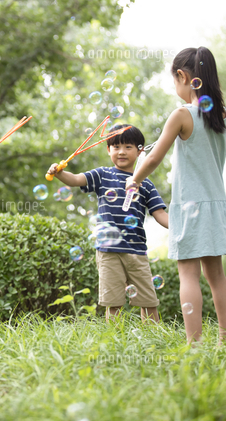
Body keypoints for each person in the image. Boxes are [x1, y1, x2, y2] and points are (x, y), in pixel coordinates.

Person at [125, 47, 226, 344]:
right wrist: (224, 109)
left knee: (189, 276)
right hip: (216, 206)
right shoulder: (221, 115)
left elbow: (154, 158)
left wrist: (135, 179)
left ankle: (194, 344)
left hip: (189, 206)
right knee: (217, 276)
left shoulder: (181, 115)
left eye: (175, 81)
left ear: (183, 76)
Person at [47, 124, 169, 323]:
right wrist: (59, 173)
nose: (121, 151)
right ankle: (115, 339)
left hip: (136, 250)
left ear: (140, 151)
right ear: (108, 149)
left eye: (128, 147)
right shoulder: (102, 175)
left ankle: (153, 338)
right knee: (114, 302)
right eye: (116, 146)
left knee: (148, 301)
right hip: (108, 251)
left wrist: (180, 226)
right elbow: (76, 179)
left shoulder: (145, 183)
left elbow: (160, 214)